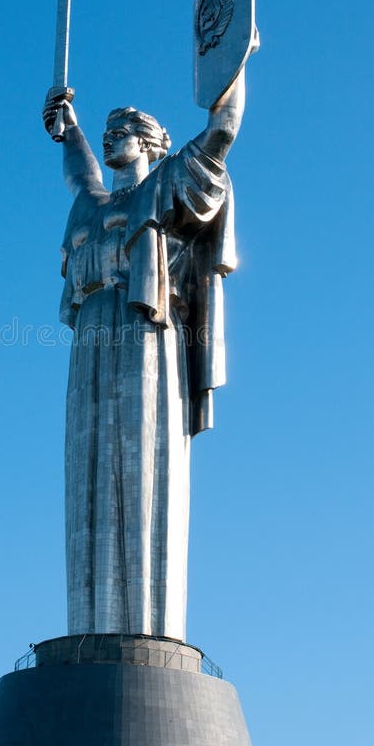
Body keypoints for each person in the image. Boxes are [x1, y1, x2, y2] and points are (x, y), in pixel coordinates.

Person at [43, 71, 246, 641]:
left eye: (121, 131)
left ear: (149, 141)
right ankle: (91, 630)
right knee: (87, 466)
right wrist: (70, 130)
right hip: (90, 339)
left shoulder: (165, 186)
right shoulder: (90, 204)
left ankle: (149, 632)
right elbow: (78, 171)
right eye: (107, 132)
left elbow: (223, 130)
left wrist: (231, 64)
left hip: (145, 330)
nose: (111, 139)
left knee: (142, 460)